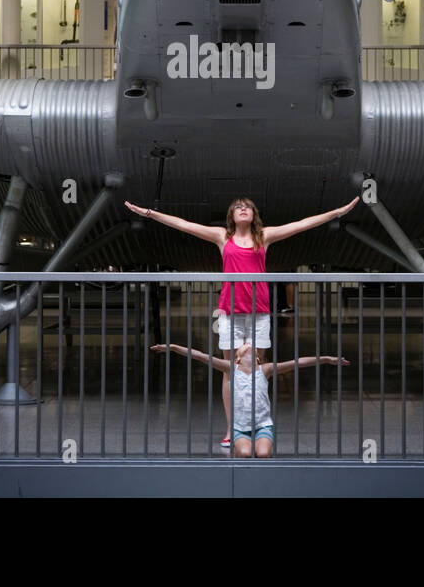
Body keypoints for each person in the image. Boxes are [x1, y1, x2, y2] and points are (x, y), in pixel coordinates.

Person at [125, 195, 358, 446]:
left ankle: (258, 424)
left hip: (259, 313)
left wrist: (337, 212)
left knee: (257, 371)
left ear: (253, 213)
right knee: (231, 372)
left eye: (247, 206)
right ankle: (232, 427)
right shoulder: (222, 237)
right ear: (232, 216)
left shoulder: (264, 237)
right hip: (229, 313)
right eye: (237, 207)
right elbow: (184, 225)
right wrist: (150, 213)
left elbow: (301, 224)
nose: (242, 209)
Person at [151, 342, 349, 457]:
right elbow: (200, 356)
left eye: (252, 347)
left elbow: (297, 363)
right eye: (245, 346)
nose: (250, 345)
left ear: (257, 358)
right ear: (237, 358)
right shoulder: (231, 368)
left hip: (263, 424)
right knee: (245, 455)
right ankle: (239, 457)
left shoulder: (265, 369)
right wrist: (173, 347)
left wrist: (326, 359)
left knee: (262, 455)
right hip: (239, 426)